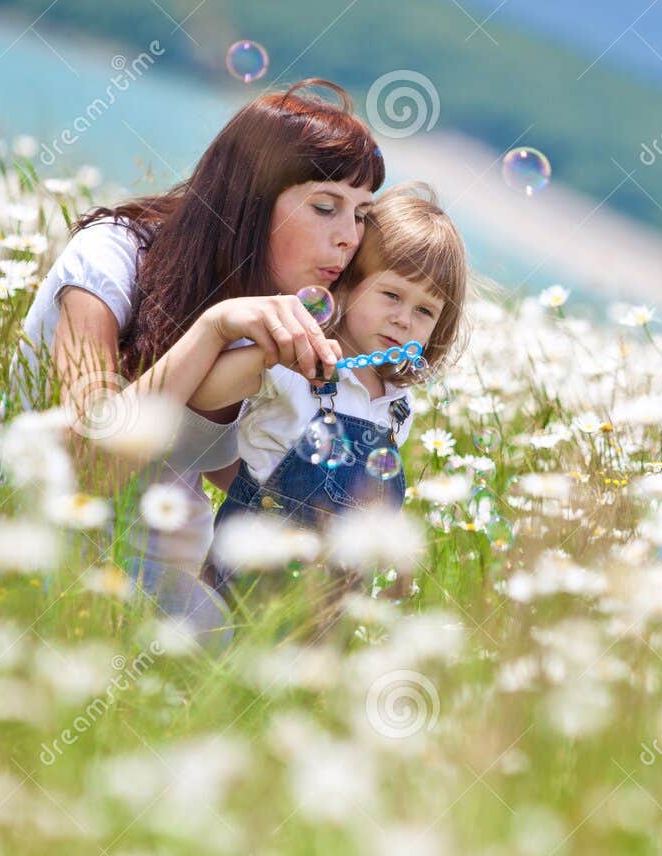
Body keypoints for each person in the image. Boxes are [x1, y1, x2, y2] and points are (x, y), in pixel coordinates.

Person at [0, 79, 381, 635]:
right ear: (251, 197)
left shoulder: (268, 316)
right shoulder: (110, 259)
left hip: (162, 587)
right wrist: (214, 330)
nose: (349, 238)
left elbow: (223, 466)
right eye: (325, 207)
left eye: (362, 215)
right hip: (31, 551)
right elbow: (89, 467)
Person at [186, 183, 469, 599]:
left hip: (325, 622)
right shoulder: (297, 370)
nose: (404, 319)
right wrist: (268, 356)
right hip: (240, 600)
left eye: (424, 310)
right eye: (391, 294)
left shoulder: (397, 409)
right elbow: (204, 396)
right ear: (347, 286)